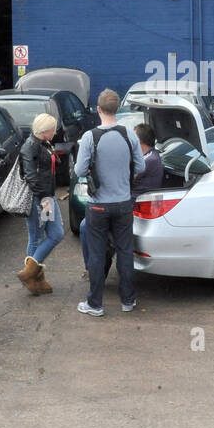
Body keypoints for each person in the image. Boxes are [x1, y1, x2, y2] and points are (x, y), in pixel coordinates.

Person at [74, 90, 144, 317]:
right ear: (117, 110)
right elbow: (140, 167)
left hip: (98, 206)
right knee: (125, 252)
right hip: (123, 203)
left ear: (99, 109)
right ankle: (128, 300)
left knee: (97, 254)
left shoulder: (89, 137)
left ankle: (95, 304)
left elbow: (79, 170)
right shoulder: (129, 135)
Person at [78, 122, 163, 279]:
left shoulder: (149, 160)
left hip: (131, 205)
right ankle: (96, 269)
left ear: (139, 141)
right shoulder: (148, 156)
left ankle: (94, 270)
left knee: (86, 226)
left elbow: (126, 176)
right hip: (127, 202)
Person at [15, 113, 63, 295]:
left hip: (46, 197)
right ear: (45, 131)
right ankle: (31, 275)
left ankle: (34, 276)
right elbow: (30, 175)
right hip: (40, 199)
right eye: (53, 129)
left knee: (51, 234)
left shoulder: (43, 144)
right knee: (41, 236)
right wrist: (44, 199)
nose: (56, 132)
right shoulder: (30, 147)